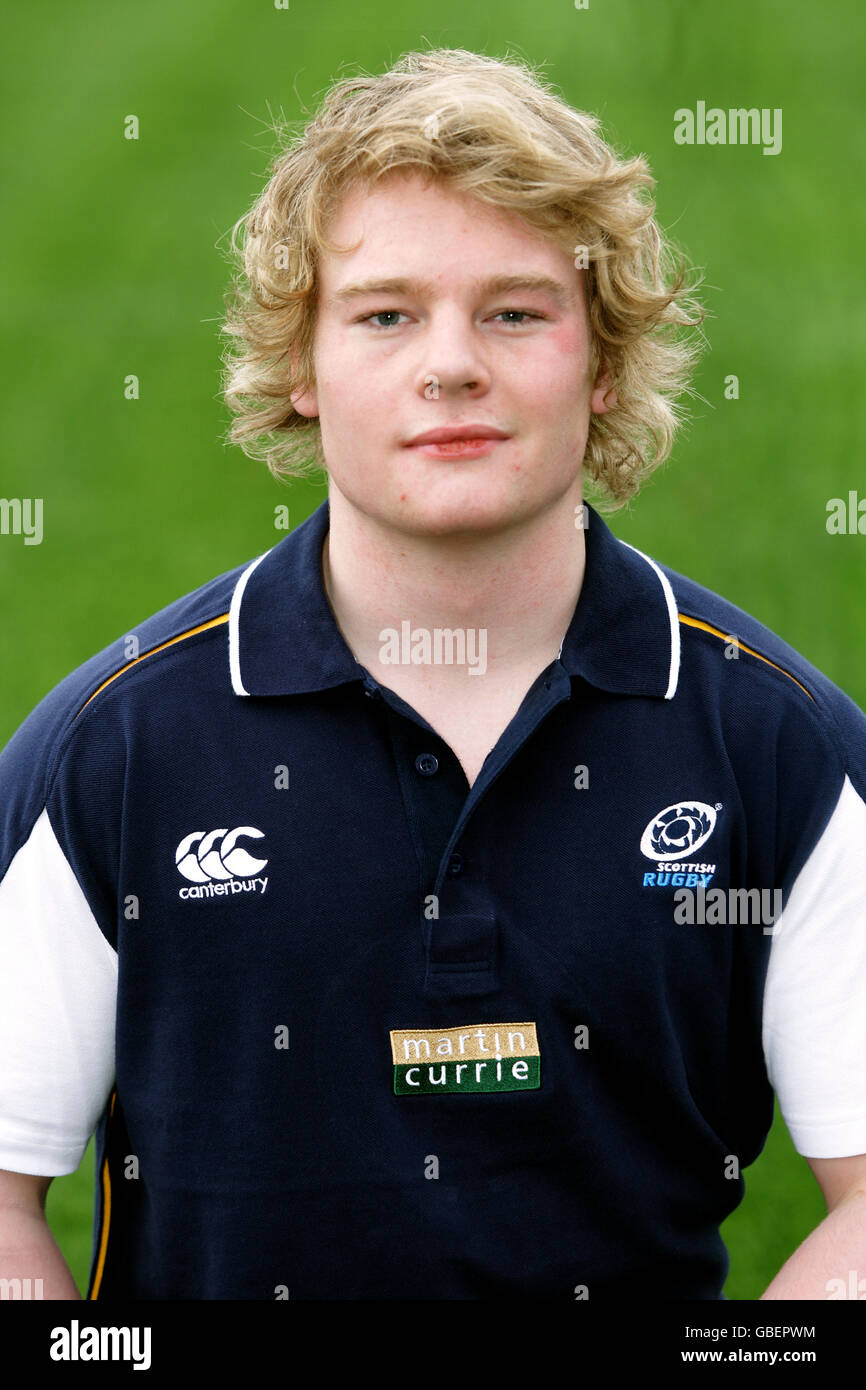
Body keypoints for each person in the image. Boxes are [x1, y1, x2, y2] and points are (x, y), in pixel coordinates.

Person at [1, 45, 865, 1302]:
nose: (450, 363)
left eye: (515, 311)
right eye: (385, 313)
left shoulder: (775, 744)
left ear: (604, 359)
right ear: (303, 367)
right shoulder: (115, 748)